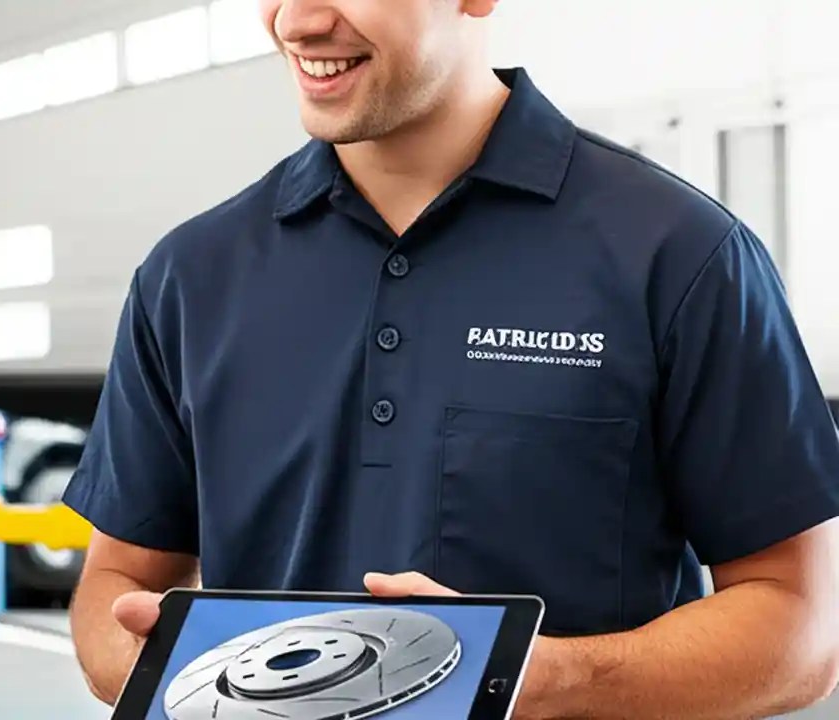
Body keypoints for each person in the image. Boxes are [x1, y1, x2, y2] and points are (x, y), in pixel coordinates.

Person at [63, 0, 839, 717]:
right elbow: (118, 580)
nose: (295, 21)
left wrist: (542, 679)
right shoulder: (192, 275)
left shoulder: (679, 254)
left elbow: (800, 628)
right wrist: (146, 663)